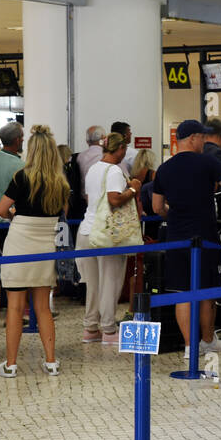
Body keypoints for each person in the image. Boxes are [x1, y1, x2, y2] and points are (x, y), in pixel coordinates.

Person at [152, 119, 221, 361]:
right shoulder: (208, 162)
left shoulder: (164, 168)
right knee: (207, 291)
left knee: (182, 293)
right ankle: (207, 341)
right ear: (193, 138)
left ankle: (189, 347)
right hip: (204, 237)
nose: (204, 142)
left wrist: (173, 215)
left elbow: (157, 207)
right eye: (202, 137)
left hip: (176, 239)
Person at [0, 125, 70, 377]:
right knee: (43, 307)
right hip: (46, 247)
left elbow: (2, 211)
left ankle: (11, 364)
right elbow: (63, 214)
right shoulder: (60, 183)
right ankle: (51, 362)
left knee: (15, 307)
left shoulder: (21, 177)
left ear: (32, 151)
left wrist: (16, 213)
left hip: (19, 246)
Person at [76, 132, 139, 344]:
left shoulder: (94, 168)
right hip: (106, 234)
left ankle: (90, 328)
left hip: (86, 231)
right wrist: (133, 188)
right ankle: (109, 330)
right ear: (119, 149)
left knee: (93, 285)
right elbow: (114, 199)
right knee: (110, 282)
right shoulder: (114, 171)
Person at [76, 125, 106, 190]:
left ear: (87, 141)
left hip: (83, 198)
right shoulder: (108, 157)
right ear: (103, 138)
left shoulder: (78, 157)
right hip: (103, 197)